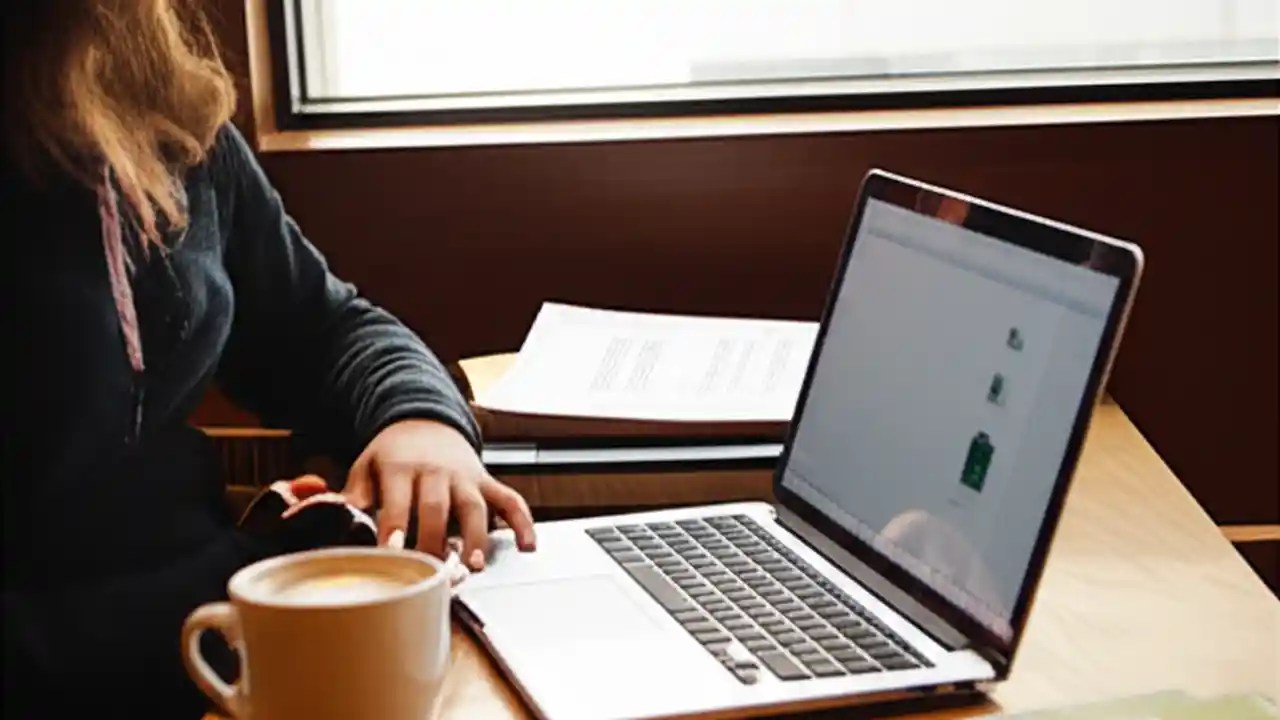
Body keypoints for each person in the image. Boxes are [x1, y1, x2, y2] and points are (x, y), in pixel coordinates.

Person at [1, 1, 536, 715]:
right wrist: (260, 580)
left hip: (216, 639)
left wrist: (419, 420)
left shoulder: (149, 100)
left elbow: (323, 327)